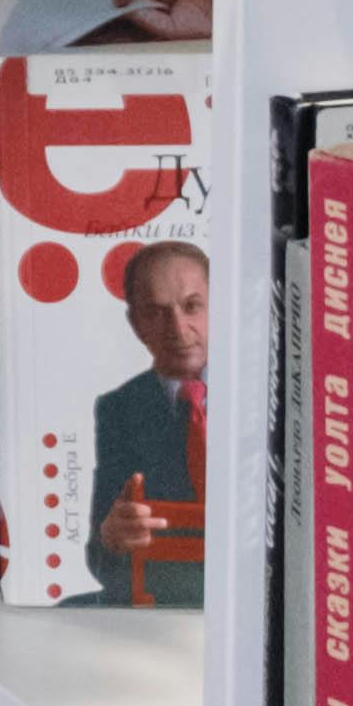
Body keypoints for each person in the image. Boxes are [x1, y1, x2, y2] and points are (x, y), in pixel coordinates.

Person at [87, 237, 208, 608]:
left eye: (192, 306)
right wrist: (111, 536)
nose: (178, 327)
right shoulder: (118, 409)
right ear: (136, 323)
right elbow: (100, 560)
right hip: (163, 603)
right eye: (156, 312)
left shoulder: (266, 388)